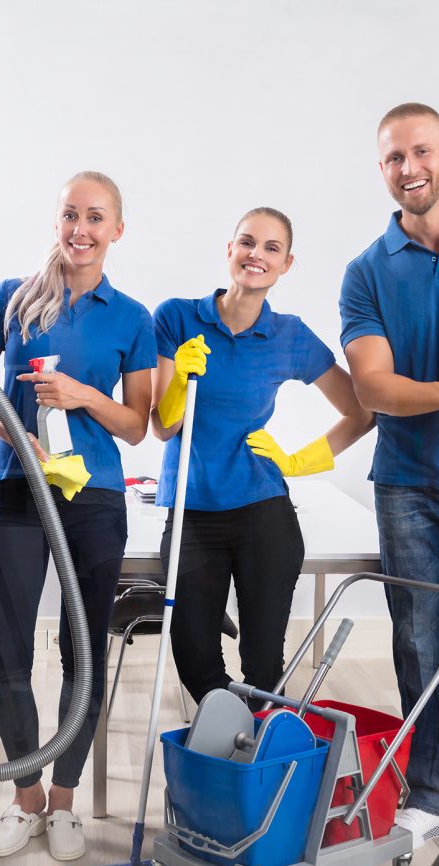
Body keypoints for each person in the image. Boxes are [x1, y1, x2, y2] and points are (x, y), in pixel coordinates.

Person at [0, 171, 157, 861]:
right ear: (58, 221)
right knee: (5, 649)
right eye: (70, 215)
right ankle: (25, 797)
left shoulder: (132, 318)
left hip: (94, 496)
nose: (81, 228)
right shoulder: (12, 299)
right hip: (20, 488)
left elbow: (136, 424)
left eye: (96, 217)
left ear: (116, 230)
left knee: (81, 652)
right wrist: (8, 427)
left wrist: (79, 395)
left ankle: (65, 802)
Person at [340, 102, 439, 848]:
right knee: (422, 640)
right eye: (396, 158)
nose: (411, 169)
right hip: (407, 481)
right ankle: (429, 792)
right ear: (382, 170)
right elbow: (373, 389)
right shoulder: (367, 272)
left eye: (422, 152)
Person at [152, 207, 373, 714]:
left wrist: (297, 462)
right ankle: (224, 730)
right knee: (193, 651)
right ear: (229, 249)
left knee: (263, 661)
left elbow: (363, 411)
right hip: (192, 512)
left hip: (262, 511)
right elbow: (162, 426)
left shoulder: (289, 335)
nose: (257, 255)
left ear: (286, 264)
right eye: (247, 242)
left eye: (272, 248)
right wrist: (182, 381)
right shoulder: (176, 316)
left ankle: (254, 755)